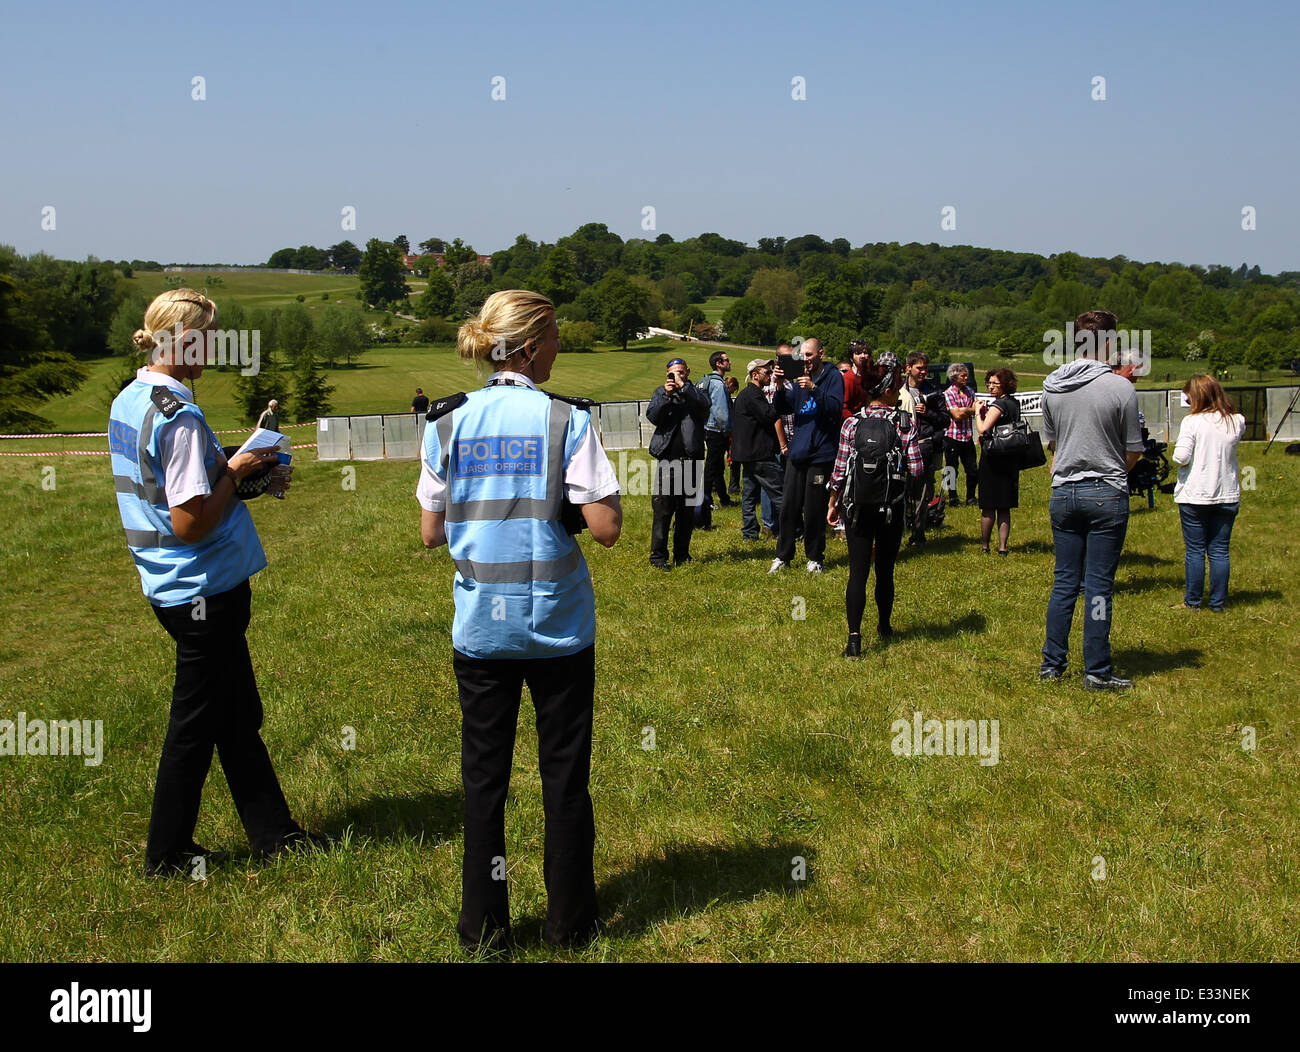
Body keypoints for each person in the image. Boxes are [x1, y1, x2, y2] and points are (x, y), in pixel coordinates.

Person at [417, 289, 622, 952]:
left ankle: (484, 929)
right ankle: (570, 924)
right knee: (564, 778)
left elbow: (429, 531)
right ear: (532, 346)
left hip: (482, 629)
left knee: (484, 783)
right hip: (557, 627)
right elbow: (608, 528)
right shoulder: (566, 420)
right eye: (556, 336)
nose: (560, 347)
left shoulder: (445, 421)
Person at [109, 289, 318, 877]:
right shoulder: (179, 415)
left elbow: (166, 485)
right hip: (201, 589)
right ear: (185, 341)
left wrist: (230, 466)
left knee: (234, 712)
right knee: (195, 725)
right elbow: (191, 521)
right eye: (207, 339)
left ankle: (275, 834)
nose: (212, 352)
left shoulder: (131, 399)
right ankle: (167, 855)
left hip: (171, 585)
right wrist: (240, 468)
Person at [1040, 309, 1144, 691]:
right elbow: (1133, 450)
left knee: (1064, 582)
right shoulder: (1120, 388)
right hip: (1106, 492)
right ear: (1109, 343)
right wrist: (1111, 470)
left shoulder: (1052, 386)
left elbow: (1053, 443)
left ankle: (1052, 664)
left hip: (1063, 492)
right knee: (1098, 586)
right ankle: (1096, 670)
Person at [826, 353, 923, 655]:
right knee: (885, 570)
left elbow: (840, 471)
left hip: (857, 508)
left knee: (857, 572)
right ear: (889, 390)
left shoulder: (851, 424)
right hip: (891, 507)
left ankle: (854, 639)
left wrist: (833, 502)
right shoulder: (904, 423)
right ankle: (884, 625)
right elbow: (917, 469)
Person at [768, 338, 844, 574]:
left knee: (814, 509)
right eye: (803, 356)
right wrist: (780, 386)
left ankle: (814, 557)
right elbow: (781, 408)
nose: (806, 360)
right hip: (797, 453)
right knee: (788, 508)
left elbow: (834, 408)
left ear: (821, 353)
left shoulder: (833, 377)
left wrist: (814, 389)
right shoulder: (799, 379)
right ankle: (783, 556)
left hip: (820, 455)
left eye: (810, 355)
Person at [1171, 375, 1246, 611]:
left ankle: (1192, 601)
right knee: (1220, 550)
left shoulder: (1192, 422)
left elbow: (1181, 457)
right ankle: (1218, 602)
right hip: (1227, 492)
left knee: (1195, 550)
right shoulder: (1237, 420)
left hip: (1196, 493)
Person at [646, 356, 710, 569]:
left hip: (691, 461)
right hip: (668, 461)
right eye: (673, 373)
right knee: (663, 512)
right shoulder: (661, 393)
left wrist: (683, 388)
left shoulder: (696, 393)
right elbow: (653, 416)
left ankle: (682, 554)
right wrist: (666, 395)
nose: (677, 376)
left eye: (681, 372)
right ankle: (658, 557)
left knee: (686, 512)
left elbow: (704, 406)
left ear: (688, 372)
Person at [897, 350, 947, 547]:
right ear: (908, 368)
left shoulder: (934, 391)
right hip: (901, 446)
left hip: (924, 445)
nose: (923, 372)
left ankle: (918, 534)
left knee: (922, 493)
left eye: (925, 368)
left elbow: (945, 420)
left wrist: (929, 413)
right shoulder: (897, 389)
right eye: (919, 368)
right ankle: (897, 532)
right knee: (900, 492)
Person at [732, 358, 784, 541]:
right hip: (760, 454)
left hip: (748, 453)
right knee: (779, 492)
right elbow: (769, 416)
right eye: (766, 372)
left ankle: (750, 533)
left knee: (749, 495)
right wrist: (779, 399)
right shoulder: (753, 395)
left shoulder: (747, 394)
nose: (770, 375)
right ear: (755, 375)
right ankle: (793, 531)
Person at [973, 368, 1022, 555]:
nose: (990, 386)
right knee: (1004, 506)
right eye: (989, 383)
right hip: (1010, 457)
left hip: (993, 458)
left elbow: (983, 429)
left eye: (995, 383)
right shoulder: (1014, 403)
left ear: (1004, 385)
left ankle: (985, 545)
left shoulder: (998, 405)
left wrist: (978, 412)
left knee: (988, 506)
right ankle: (1003, 547)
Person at [695, 350, 734, 526]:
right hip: (716, 429)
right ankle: (706, 499)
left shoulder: (704, 381)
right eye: (727, 360)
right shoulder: (718, 384)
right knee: (712, 466)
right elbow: (720, 411)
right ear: (718, 363)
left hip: (706, 427)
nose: (730, 362)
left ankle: (723, 497)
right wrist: (727, 429)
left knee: (717, 465)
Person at [942, 364, 978, 506]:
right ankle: (952, 497)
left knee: (973, 469)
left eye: (966, 375)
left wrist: (966, 410)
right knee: (951, 469)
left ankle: (971, 496)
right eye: (963, 376)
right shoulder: (948, 394)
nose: (966, 378)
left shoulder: (969, 391)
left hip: (967, 436)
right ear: (954, 377)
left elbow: (976, 409)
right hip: (952, 436)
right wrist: (970, 410)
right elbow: (957, 415)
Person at [724, 375, 742, 496]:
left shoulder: (725, 396)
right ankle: (733, 487)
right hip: (729, 432)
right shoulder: (726, 397)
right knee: (734, 460)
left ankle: (718, 486)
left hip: (725, 432)